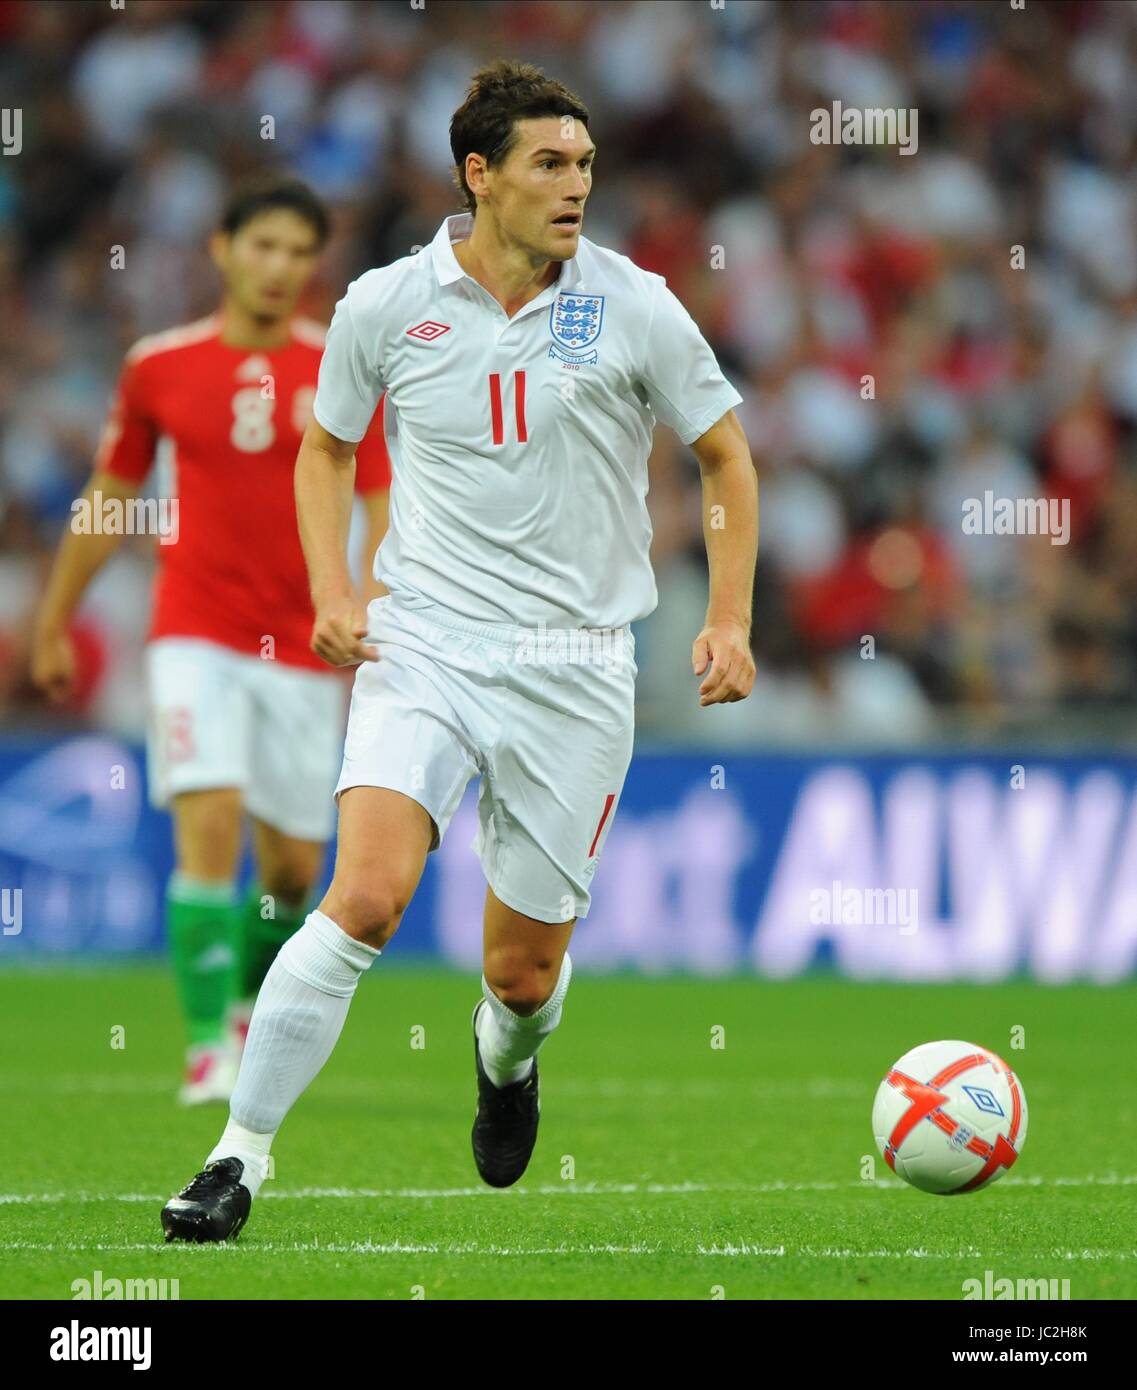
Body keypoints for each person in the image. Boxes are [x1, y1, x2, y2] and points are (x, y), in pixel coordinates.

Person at [161, 59, 756, 1244]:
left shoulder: (632, 302)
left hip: (578, 666)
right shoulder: (390, 303)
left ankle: (506, 1062)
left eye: (585, 164)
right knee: (366, 897)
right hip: (424, 643)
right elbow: (324, 451)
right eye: (550, 163)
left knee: (523, 974)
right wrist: (335, 588)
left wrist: (729, 615)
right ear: (479, 176)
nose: (576, 184)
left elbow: (726, 456)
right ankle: (237, 1157)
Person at [32, 174, 391, 1105]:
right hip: (194, 626)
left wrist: (368, 597)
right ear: (222, 251)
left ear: (316, 267)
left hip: (306, 637)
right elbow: (111, 494)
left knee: (289, 869)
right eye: (263, 246)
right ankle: (203, 1047)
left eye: (299, 252)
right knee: (210, 815)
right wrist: (55, 616)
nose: (279, 267)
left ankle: (239, 1007)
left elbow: (382, 497)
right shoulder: (159, 364)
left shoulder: (341, 365)